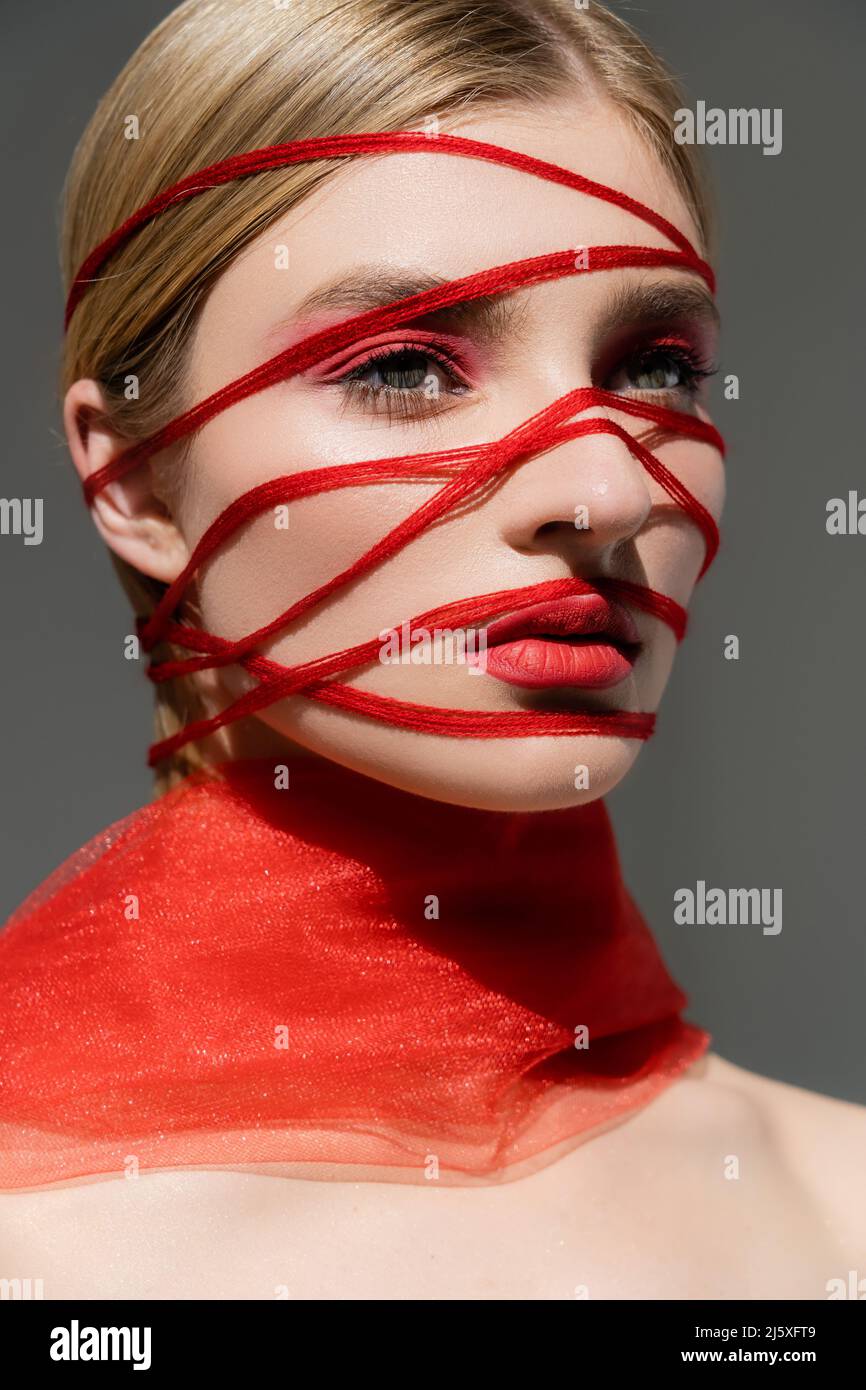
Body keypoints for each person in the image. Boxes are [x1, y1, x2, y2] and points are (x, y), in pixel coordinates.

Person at [0, 0, 863, 1300]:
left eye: (653, 367)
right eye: (406, 367)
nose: (606, 491)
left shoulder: (837, 1197)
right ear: (133, 480)